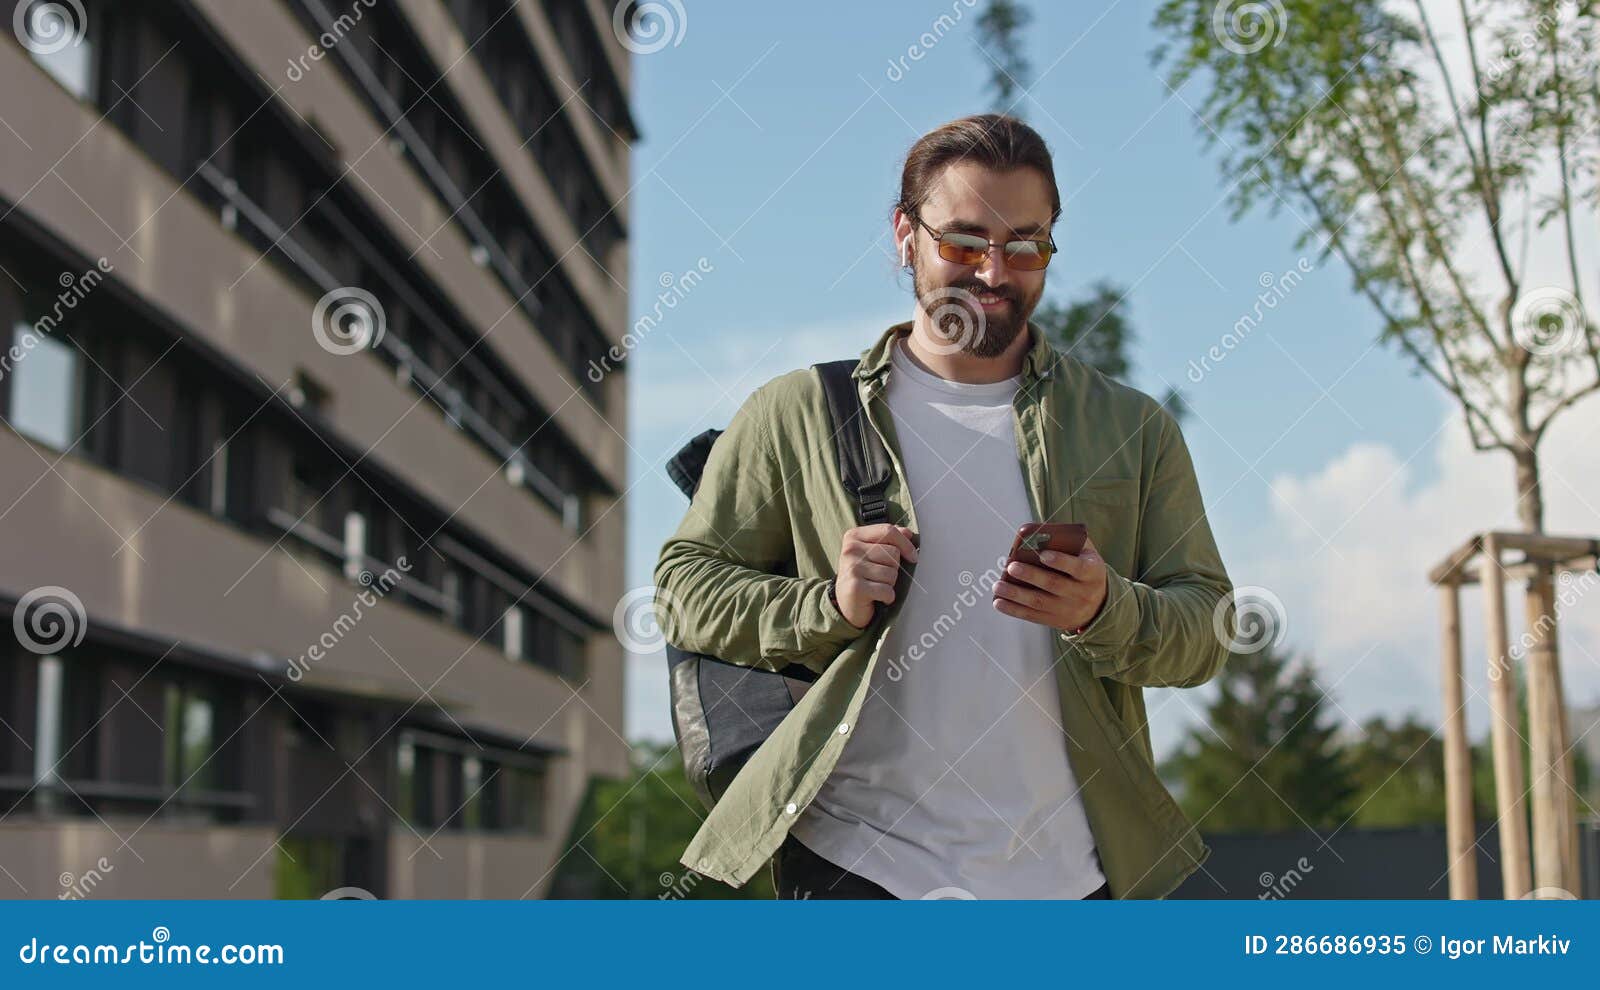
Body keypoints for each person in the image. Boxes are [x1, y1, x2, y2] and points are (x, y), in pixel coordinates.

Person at [654, 113, 1234, 900]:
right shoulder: (795, 413)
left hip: (1073, 881)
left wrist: (1107, 609)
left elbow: (1207, 629)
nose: (995, 273)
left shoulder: (1132, 428)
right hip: (857, 870)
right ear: (905, 235)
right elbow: (684, 588)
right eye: (964, 243)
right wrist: (824, 603)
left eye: (1026, 245)